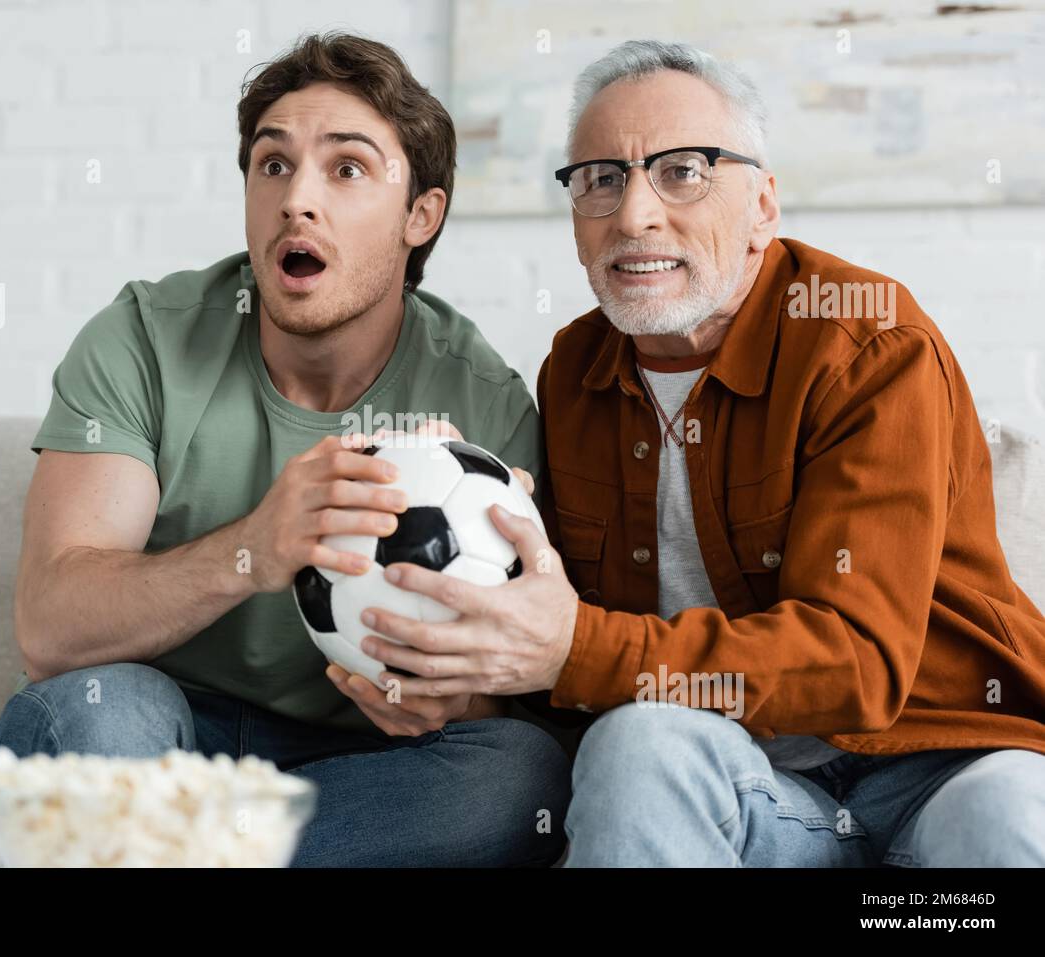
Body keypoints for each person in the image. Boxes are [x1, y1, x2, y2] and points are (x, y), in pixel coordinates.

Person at [0, 32, 570, 869]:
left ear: (420, 215)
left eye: (348, 168)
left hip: (357, 764)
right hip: (157, 731)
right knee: (101, 712)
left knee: (522, 776)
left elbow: (496, 692)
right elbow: (50, 627)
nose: (297, 200)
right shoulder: (141, 339)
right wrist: (257, 546)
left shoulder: (482, 402)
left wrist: (441, 695)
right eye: (272, 165)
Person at [350, 39, 1045, 867]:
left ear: (762, 206)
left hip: (940, 764)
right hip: (752, 789)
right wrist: (463, 685)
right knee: (636, 746)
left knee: (1006, 819)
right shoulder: (575, 371)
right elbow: (574, 651)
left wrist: (575, 648)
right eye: (602, 179)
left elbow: (855, 664)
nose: (635, 213)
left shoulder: (869, 344)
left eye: (684, 170)